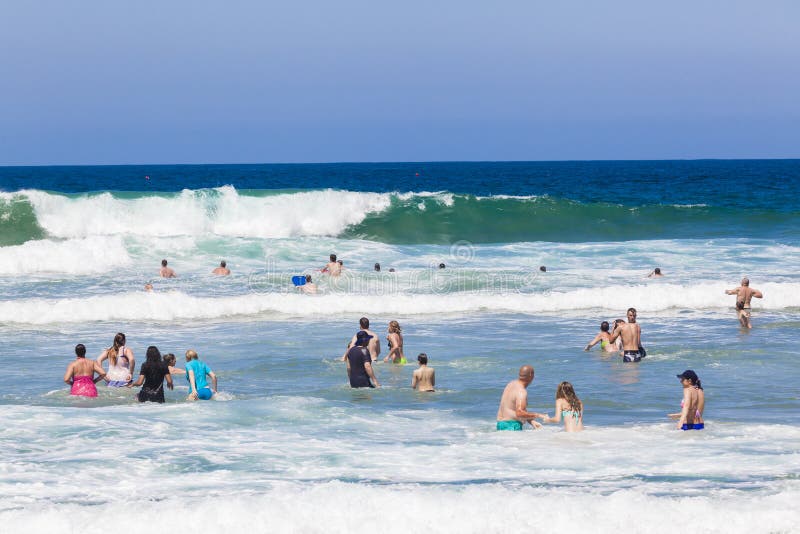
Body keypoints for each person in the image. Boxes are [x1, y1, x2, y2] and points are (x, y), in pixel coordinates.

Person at [495, 365, 545, 431]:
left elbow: (512, 408)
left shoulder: (510, 384)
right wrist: (539, 415)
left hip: (500, 424)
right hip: (512, 426)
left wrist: (531, 421)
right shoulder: (521, 391)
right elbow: (520, 412)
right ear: (531, 375)